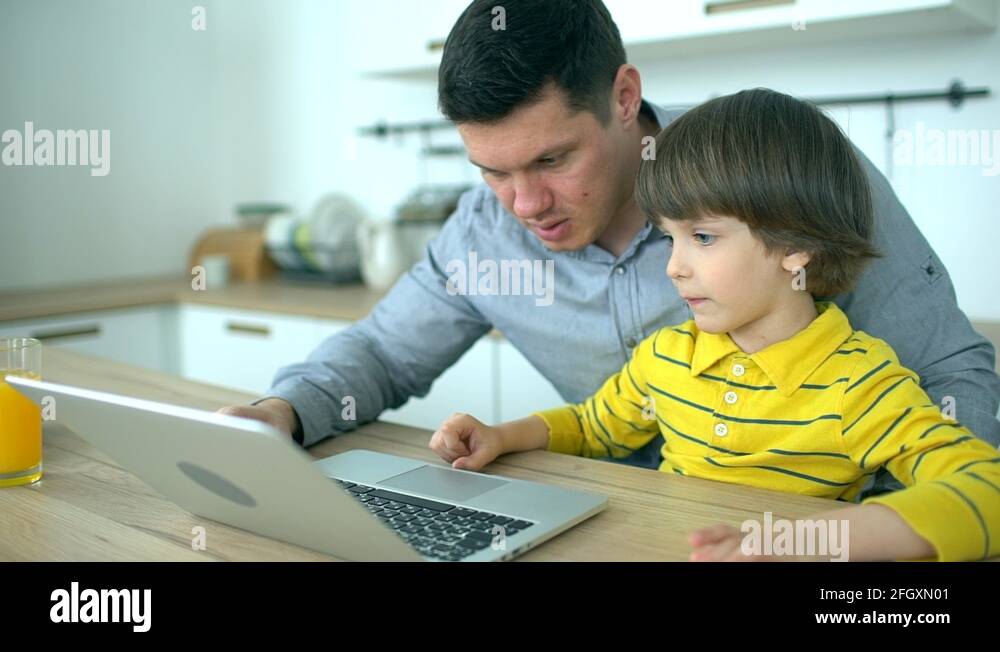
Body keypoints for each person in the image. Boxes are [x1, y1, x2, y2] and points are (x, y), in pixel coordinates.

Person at [219, 0, 1000, 503]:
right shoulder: (481, 234)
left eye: (552, 161)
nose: (524, 205)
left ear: (624, 99)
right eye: (493, 171)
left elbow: (950, 380)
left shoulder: (778, 173)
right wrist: (281, 412)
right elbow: (382, 354)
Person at [429, 88, 1000, 562]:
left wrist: (808, 542)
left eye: (702, 237)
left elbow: (985, 490)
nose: (675, 266)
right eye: (670, 237)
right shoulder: (668, 357)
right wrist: (503, 436)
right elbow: (592, 425)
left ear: (796, 247)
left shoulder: (859, 385)